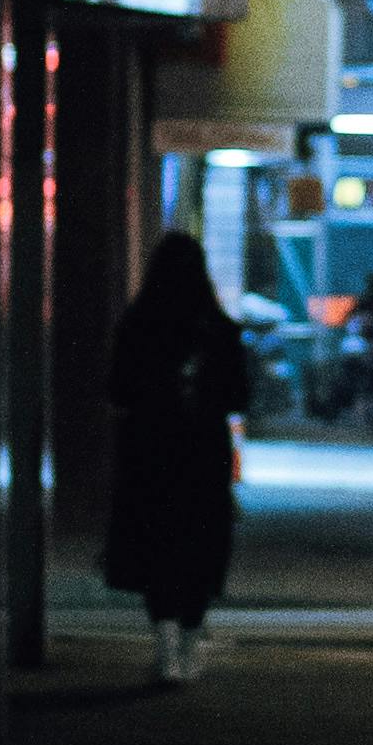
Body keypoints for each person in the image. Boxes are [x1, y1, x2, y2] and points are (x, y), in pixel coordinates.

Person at [103, 230, 252, 682]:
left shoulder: (138, 323)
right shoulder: (220, 329)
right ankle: (190, 644)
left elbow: (117, 389)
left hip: (150, 449)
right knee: (199, 542)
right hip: (203, 452)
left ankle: (165, 645)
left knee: (157, 540)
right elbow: (238, 396)